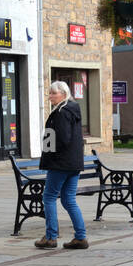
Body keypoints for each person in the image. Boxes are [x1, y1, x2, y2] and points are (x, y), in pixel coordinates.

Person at [37, 80, 88, 250]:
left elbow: (62, 138)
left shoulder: (61, 112)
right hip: (73, 163)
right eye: (50, 93)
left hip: (60, 163)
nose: (50, 96)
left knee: (49, 197)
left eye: (53, 93)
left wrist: (48, 152)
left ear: (63, 95)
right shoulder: (72, 110)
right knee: (68, 199)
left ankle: (51, 237)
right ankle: (80, 237)